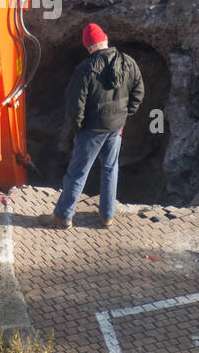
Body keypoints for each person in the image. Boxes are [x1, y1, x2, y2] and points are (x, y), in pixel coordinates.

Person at [38, 23, 145, 230]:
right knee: (110, 168)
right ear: (106, 40)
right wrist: (125, 113)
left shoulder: (85, 69)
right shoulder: (128, 62)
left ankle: (62, 216)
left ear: (88, 48)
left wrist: (79, 126)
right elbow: (139, 90)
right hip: (116, 127)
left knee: (77, 172)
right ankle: (107, 216)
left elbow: (74, 102)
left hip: (92, 129)